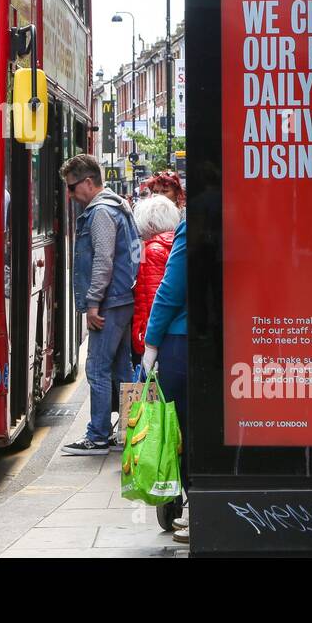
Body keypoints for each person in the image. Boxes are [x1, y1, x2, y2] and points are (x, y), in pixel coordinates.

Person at [59, 153, 140, 456]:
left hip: (110, 301)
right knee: (121, 368)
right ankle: (132, 429)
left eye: (72, 187)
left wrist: (93, 303)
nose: (69, 194)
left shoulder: (101, 212)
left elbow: (103, 260)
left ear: (88, 182)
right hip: (123, 297)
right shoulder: (119, 205)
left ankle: (98, 435)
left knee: (96, 368)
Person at [142, 218, 189, 543]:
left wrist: (151, 342)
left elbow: (170, 291)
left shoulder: (193, 224)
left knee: (180, 427)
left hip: (182, 342)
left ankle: (194, 504)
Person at [131, 195, 180, 364]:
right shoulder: (174, 242)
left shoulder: (151, 251)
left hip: (156, 335)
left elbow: (153, 299)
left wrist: (148, 341)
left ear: (150, 224)